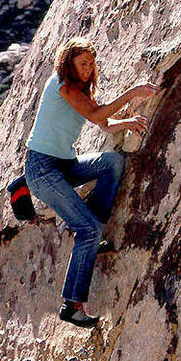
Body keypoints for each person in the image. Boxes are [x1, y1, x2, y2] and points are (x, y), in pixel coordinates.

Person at [24, 37, 158, 328]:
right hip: (43, 170)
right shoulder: (64, 85)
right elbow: (97, 115)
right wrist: (131, 93)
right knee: (88, 230)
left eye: (91, 63)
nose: (88, 68)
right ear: (69, 64)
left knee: (113, 162)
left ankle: (91, 238)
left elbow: (103, 123)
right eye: (82, 63)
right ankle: (72, 305)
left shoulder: (81, 89)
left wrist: (128, 122)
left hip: (64, 165)